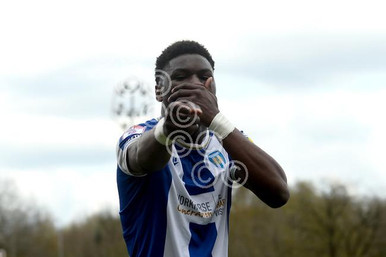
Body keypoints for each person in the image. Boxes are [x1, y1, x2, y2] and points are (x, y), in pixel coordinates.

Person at [116, 40, 289, 257]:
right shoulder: (138, 136)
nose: (195, 85)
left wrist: (217, 121)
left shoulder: (225, 141)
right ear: (160, 90)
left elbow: (279, 193)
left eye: (204, 77)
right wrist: (168, 129)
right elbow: (143, 159)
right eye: (180, 77)